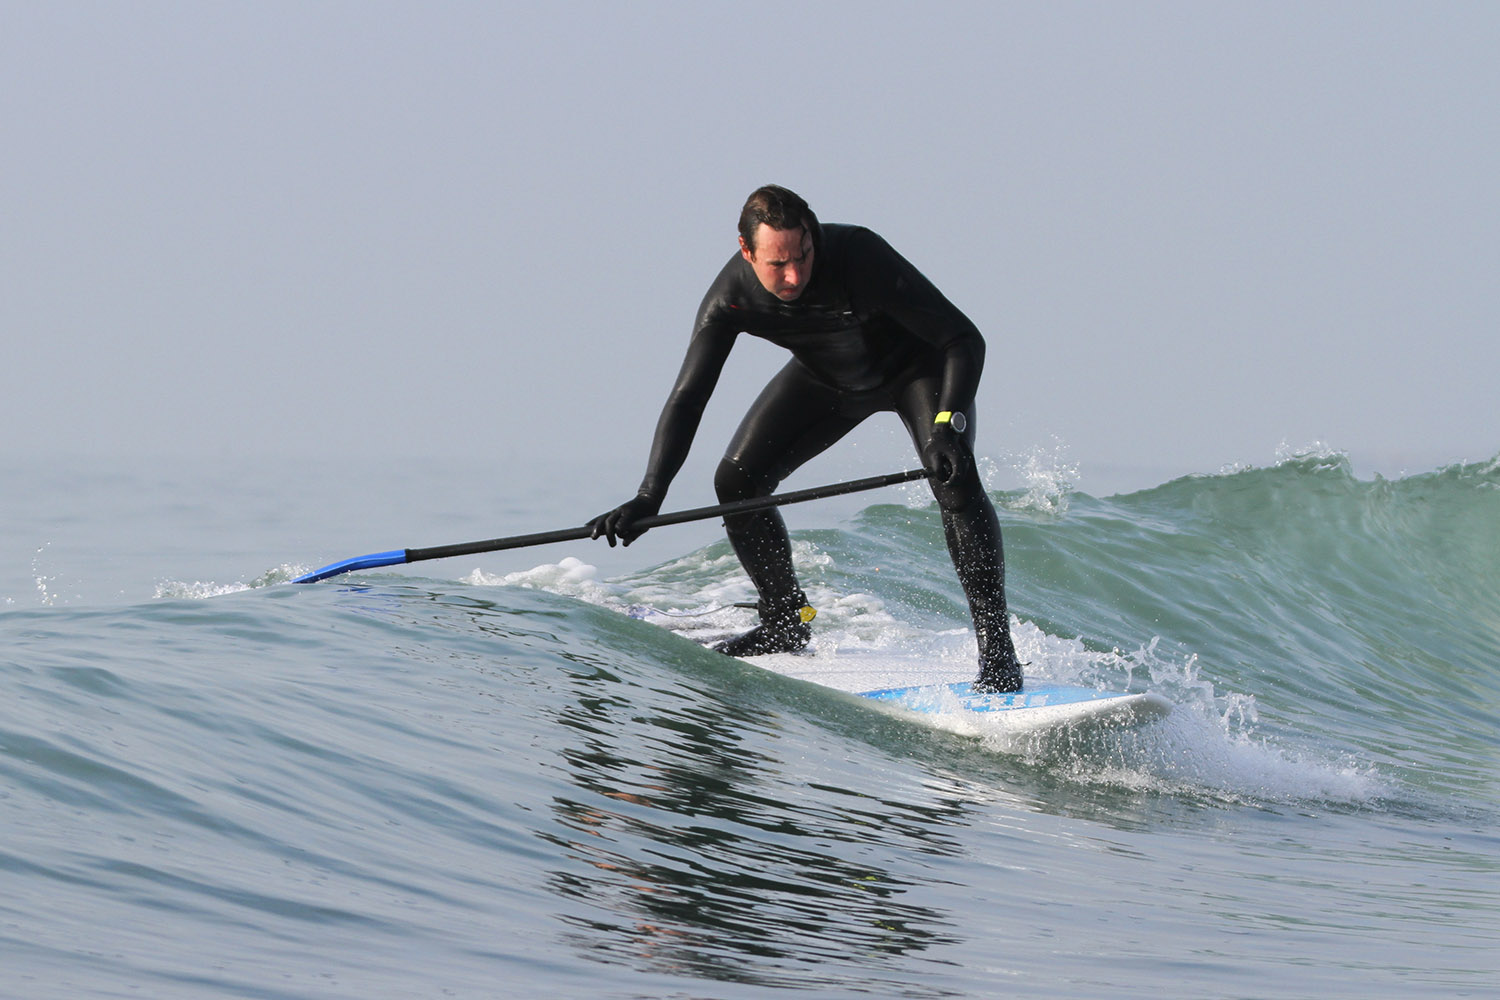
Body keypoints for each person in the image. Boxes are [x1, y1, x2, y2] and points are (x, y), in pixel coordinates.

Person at [589, 185, 1023, 692]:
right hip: (829, 381)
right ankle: (784, 621)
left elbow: (962, 338)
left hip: (917, 372)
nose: (794, 275)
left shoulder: (859, 256)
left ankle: (998, 653)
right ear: (746, 251)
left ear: (813, 236)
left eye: (803, 255)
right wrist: (650, 495)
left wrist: (949, 424)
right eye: (778, 264)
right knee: (737, 481)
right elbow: (689, 398)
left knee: (954, 479)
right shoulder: (730, 296)